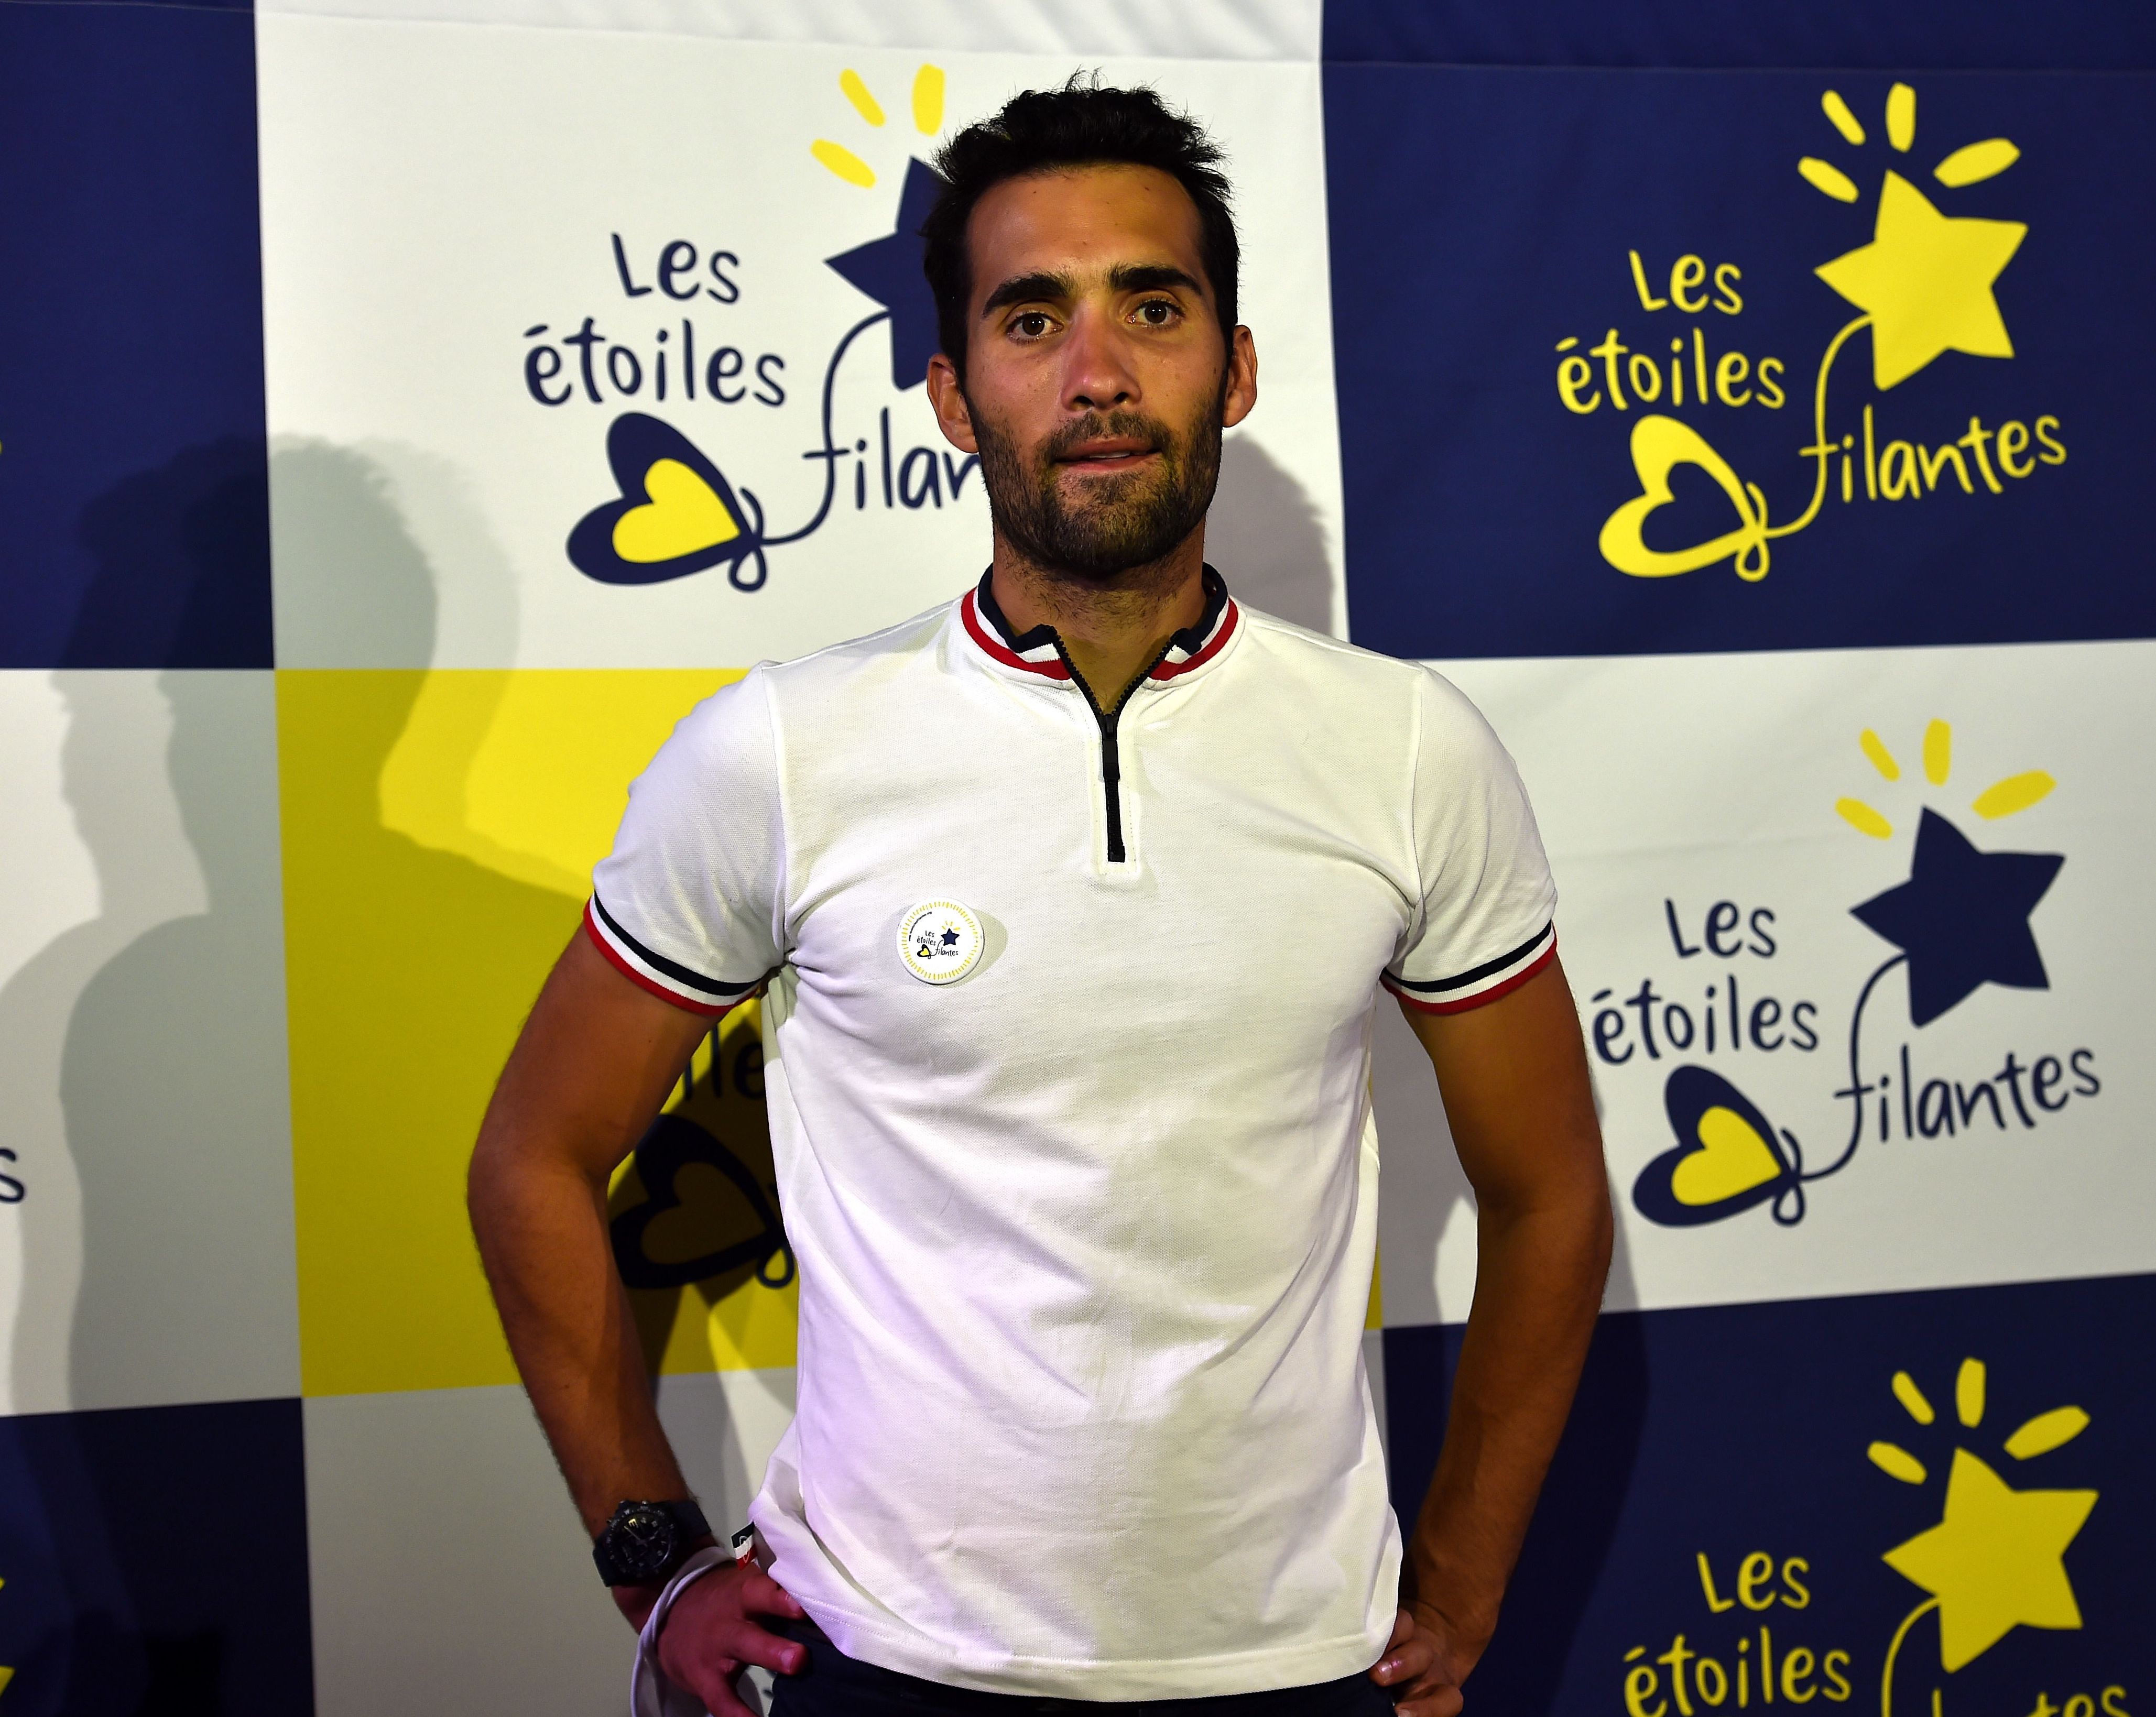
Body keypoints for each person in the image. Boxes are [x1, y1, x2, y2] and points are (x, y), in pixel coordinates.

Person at [466, 81, 1611, 1717]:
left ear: (1235, 365)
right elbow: (534, 1156)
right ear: (950, 393)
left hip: (1297, 1662)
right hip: (882, 1660)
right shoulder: (778, 752)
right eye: (1030, 319)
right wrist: (654, 1557)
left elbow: (1549, 1190)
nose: (1097, 372)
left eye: (1153, 306)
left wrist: (1468, 1570)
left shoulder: (1410, 750)